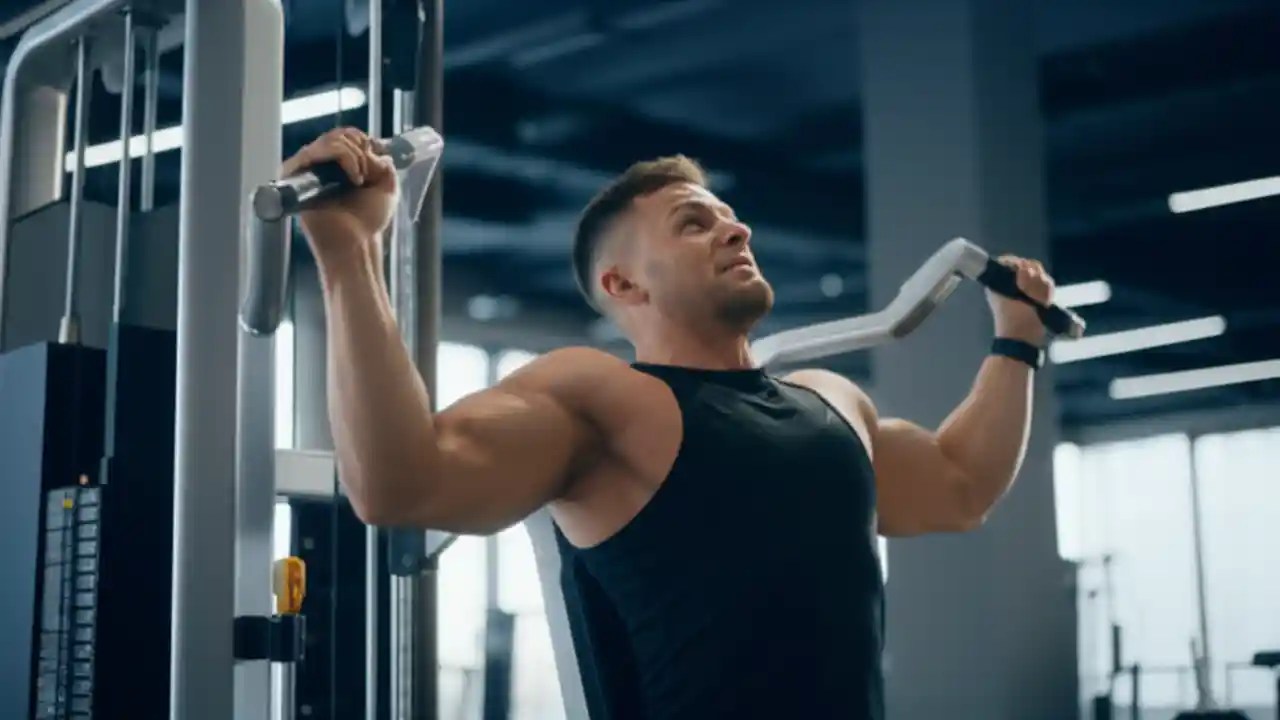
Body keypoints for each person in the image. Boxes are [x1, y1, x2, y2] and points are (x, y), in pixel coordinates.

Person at [287, 126, 1055, 719]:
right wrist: (351, 250)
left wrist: (1016, 339)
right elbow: (398, 486)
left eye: (731, 219)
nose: (737, 231)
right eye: (694, 224)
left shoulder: (831, 401)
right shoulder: (602, 398)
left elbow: (961, 485)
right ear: (622, 284)